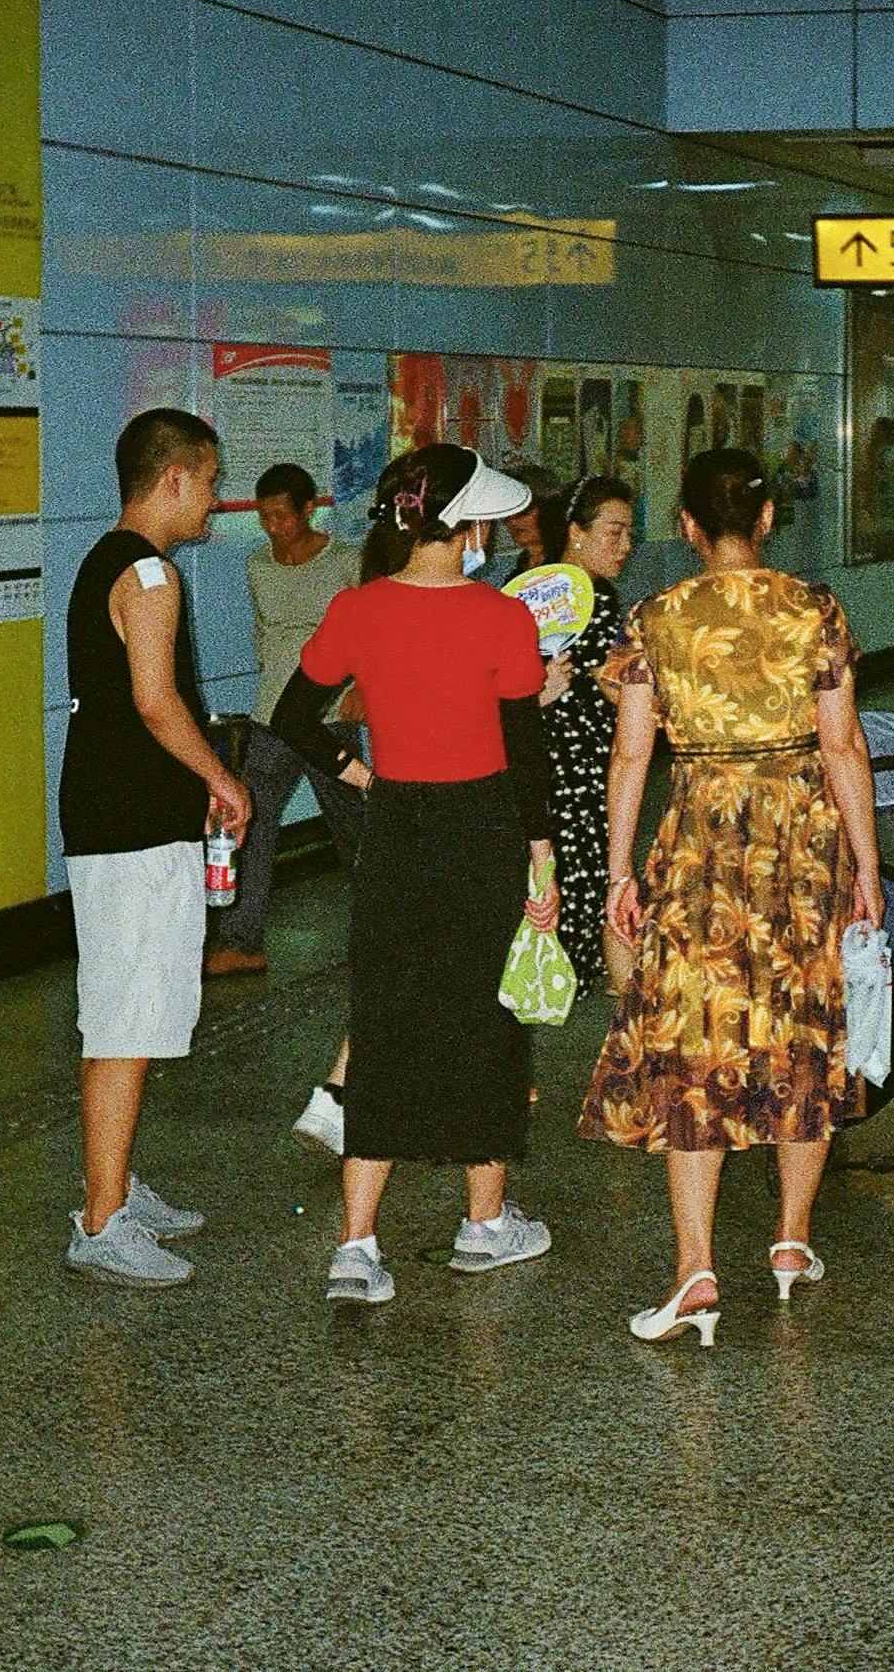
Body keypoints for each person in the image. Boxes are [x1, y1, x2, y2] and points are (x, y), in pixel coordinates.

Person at [580, 449, 883, 1347]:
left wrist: (618, 872)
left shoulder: (655, 619)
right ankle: (791, 1242)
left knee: (692, 1042)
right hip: (802, 841)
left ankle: (696, 1266)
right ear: (764, 521)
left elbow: (632, 755)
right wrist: (866, 866)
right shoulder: (812, 609)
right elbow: (844, 748)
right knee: (803, 1029)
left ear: (684, 526)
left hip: (699, 844)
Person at [269, 445, 560, 1305]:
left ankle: (356, 1245)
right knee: (486, 1013)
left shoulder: (357, 608)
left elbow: (291, 716)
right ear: (469, 526)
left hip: (395, 827)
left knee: (385, 1011)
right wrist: (542, 858)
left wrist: (360, 776)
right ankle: (484, 1223)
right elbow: (525, 752)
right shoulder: (502, 619)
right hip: (481, 830)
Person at [59, 408, 254, 1288]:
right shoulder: (148, 574)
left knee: (126, 1011)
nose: (214, 503)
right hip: (131, 824)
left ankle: (116, 1185)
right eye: (209, 482)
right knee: (126, 1021)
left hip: (118, 816)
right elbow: (154, 701)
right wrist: (224, 778)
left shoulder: (110, 561)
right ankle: (101, 1221)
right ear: (172, 477)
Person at [205, 463, 363, 979]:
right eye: (264, 516)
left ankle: (387, 928)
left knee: (354, 829)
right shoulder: (257, 565)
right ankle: (242, 940)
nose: (273, 525)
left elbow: (369, 635)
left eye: (281, 514)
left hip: (328, 716)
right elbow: (262, 631)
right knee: (253, 823)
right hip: (273, 715)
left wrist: (360, 687)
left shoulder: (345, 562)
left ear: (308, 509)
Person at [544, 477, 637, 993]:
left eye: (628, 534)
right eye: (614, 532)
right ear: (576, 531)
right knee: (592, 862)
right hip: (581, 755)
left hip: (540, 749)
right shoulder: (594, 596)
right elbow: (614, 684)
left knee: (557, 860)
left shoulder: (535, 583)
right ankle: (586, 970)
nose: (625, 546)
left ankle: (555, 968)